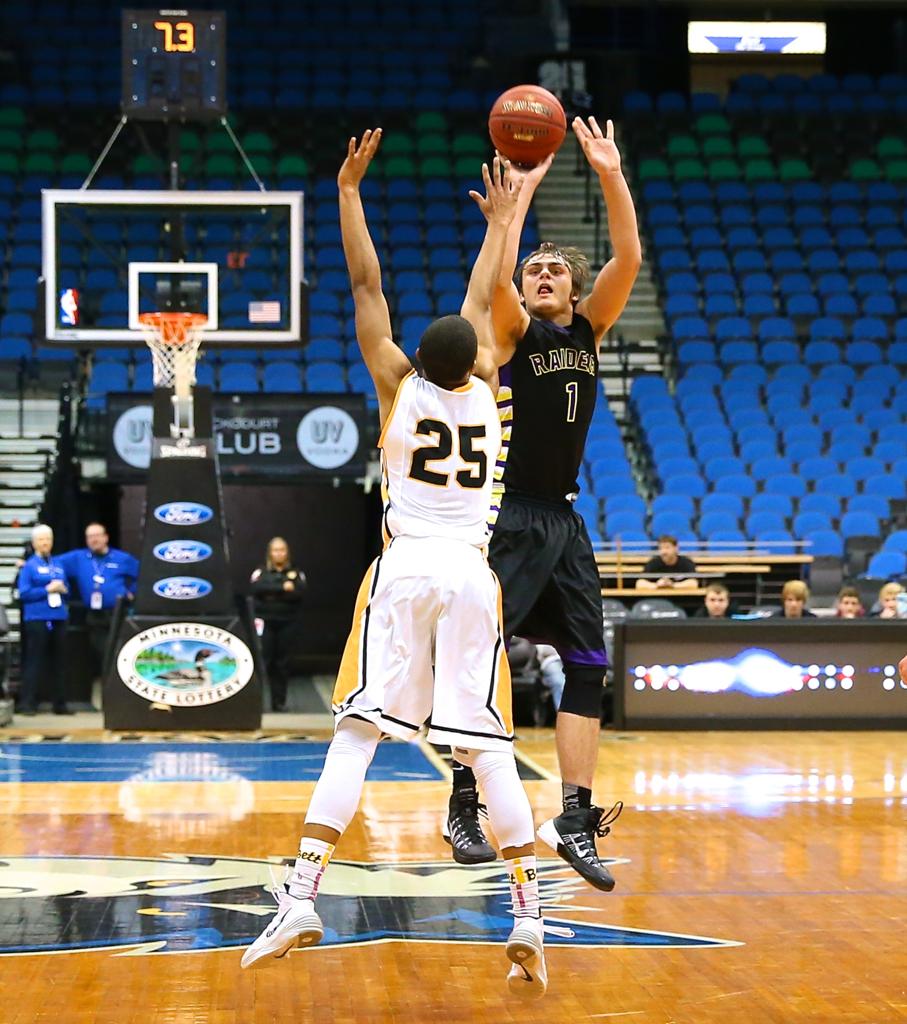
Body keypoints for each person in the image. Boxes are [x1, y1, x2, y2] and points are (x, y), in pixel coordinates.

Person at [244, 134, 548, 997]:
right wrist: (501, 223)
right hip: (472, 573)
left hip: (406, 565)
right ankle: (527, 915)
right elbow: (485, 296)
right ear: (478, 363)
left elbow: (367, 284)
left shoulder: (395, 383)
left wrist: (348, 192)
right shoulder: (491, 389)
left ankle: (301, 894)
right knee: (488, 749)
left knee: (357, 731)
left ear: (419, 358)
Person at [444, 115, 639, 892]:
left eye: (556, 268)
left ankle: (574, 816)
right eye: (536, 270)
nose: (544, 274)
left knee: (589, 666)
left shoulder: (590, 329)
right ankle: (463, 801)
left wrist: (608, 172)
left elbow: (626, 255)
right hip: (509, 516)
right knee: (480, 665)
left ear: (574, 283)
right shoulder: (515, 334)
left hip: (564, 519)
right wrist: (512, 206)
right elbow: (491, 286)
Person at [59, 522, 139, 680]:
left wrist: (132, 593)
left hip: (118, 613)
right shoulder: (79, 557)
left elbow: (143, 574)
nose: (93, 540)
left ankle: (120, 687)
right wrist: (28, 564)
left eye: (96, 536)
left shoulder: (122, 558)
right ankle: (106, 687)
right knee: (102, 653)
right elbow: (53, 564)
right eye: (90, 537)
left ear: (105, 537)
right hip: (95, 615)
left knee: (121, 652)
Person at [16, 524, 71, 716]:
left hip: (58, 616)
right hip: (37, 618)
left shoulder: (58, 564)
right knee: (34, 661)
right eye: (41, 539)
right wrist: (46, 589)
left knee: (60, 662)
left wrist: (63, 590)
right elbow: (24, 593)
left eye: (48, 539)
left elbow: (68, 589)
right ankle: (28, 703)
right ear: (34, 543)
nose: (45, 543)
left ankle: (60, 704)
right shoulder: (29, 566)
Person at [250, 537, 306, 712]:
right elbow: (256, 589)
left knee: (282, 664)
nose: (279, 553)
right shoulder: (260, 572)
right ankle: (256, 704)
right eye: (275, 550)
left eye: (282, 550)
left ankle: (279, 702)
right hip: (265, 622)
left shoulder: (296, 573)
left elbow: (298, 594)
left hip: (287, 623)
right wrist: (282, 588)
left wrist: (271, 592)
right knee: (263, 663)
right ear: (270, 552)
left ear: (286, 552)